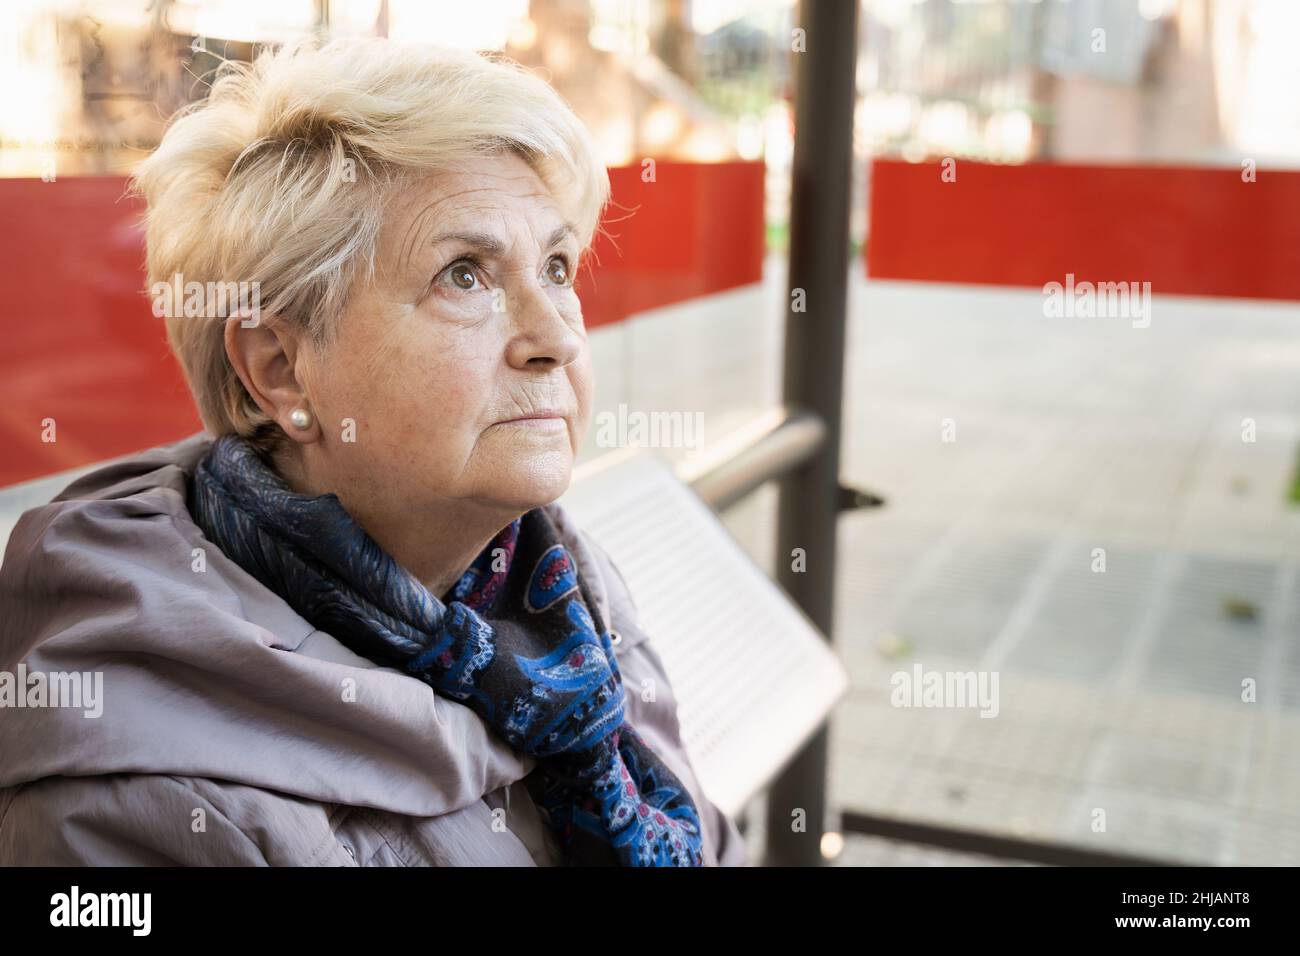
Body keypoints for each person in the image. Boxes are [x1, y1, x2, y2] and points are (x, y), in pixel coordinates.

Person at [0, 36, 746, 867]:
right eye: (465, 275)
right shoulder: (140, 802)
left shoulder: (558, 584)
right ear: (282, 372)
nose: (556, 340)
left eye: (559, 266)